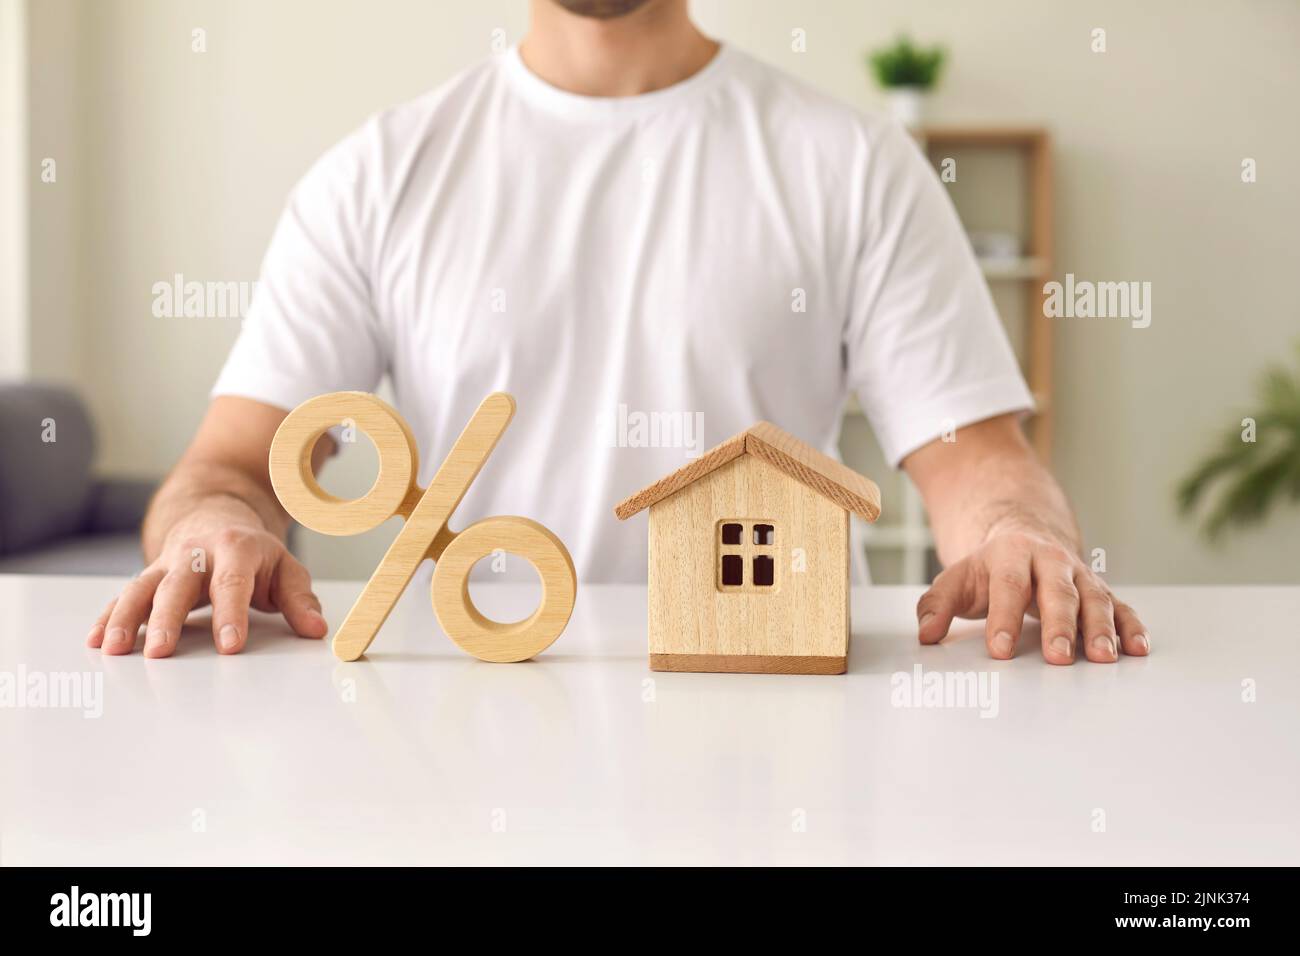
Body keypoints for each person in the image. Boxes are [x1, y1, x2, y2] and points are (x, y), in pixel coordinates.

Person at [87, 0, 1149, 665]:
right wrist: (212, 529)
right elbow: (235, 468)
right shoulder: (374, 176)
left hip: (778, 720)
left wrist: (1025, 539)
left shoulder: (856, 166)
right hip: (478, 716)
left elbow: (980, 469)